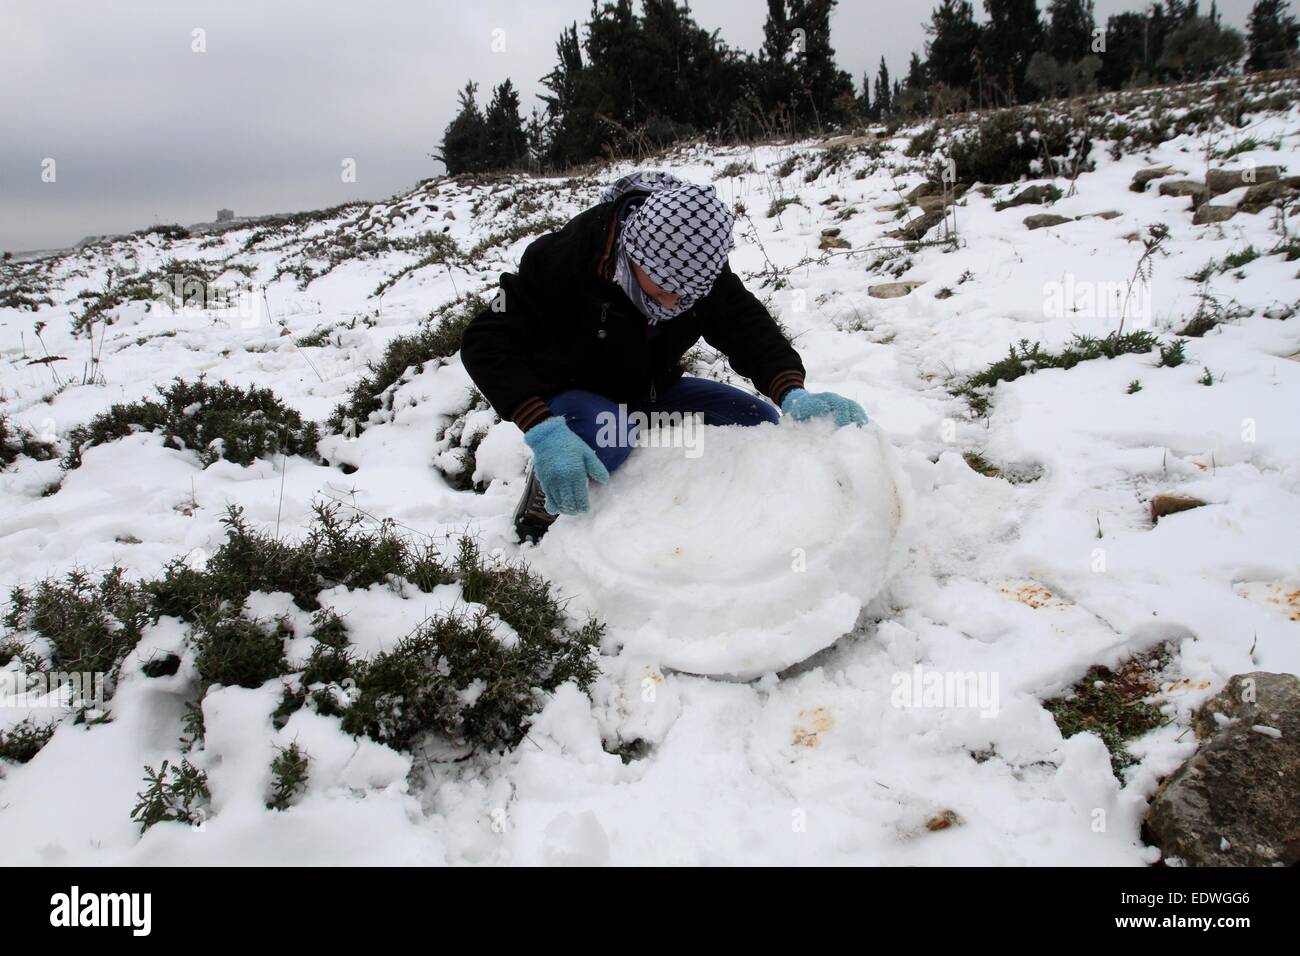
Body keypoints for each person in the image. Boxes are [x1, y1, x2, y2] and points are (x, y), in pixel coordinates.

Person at [461, 170, 868, 542]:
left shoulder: (698, 268)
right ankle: (546, 497)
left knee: (756, 423)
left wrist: (792, 391)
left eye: (685, 294)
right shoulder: (562, 260)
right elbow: (485, 338)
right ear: (633, 251)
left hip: (650, 390)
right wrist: (542, 427)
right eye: (662, 286)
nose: (672, 300)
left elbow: (748, 328)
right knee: (610, 441)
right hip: (573, 392)